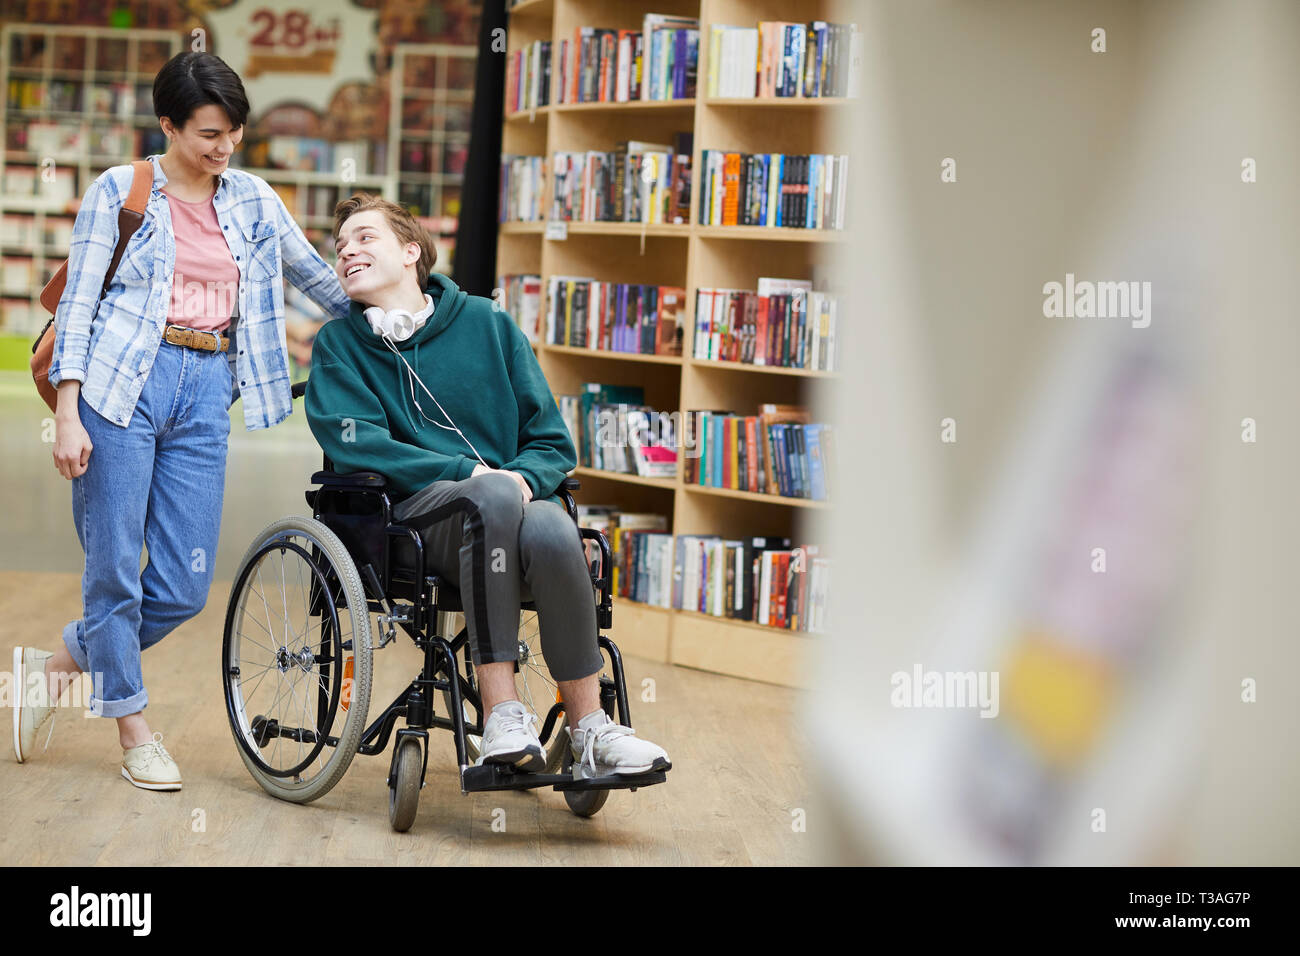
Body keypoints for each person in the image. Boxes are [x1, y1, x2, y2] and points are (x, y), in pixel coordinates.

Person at [12, 53, 351, 789]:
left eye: (233, 131)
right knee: (113, 574)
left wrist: (401, 313)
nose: (223, 147)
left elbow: (314, 275)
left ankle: (59, 666)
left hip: (207, 389)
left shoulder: (255, 199)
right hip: (119, 384)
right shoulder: (121, 191)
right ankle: (135, 733)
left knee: (185, 585)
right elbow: (76, 310)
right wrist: (68, 413)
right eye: (206, 133)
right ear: (167, 124)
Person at [304, 194, 670, 779]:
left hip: (512, 517)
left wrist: (522, 480)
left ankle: (591, 730)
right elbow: (355, 442)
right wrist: (468, 475)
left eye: (365, 237)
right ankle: (502, 714)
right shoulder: (340, 346)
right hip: (412, 521)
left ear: (410, 251)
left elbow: (550, 441)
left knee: (553, 522)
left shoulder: (489, 325)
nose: (347, 249)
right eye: (340, 244)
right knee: (498, 495)